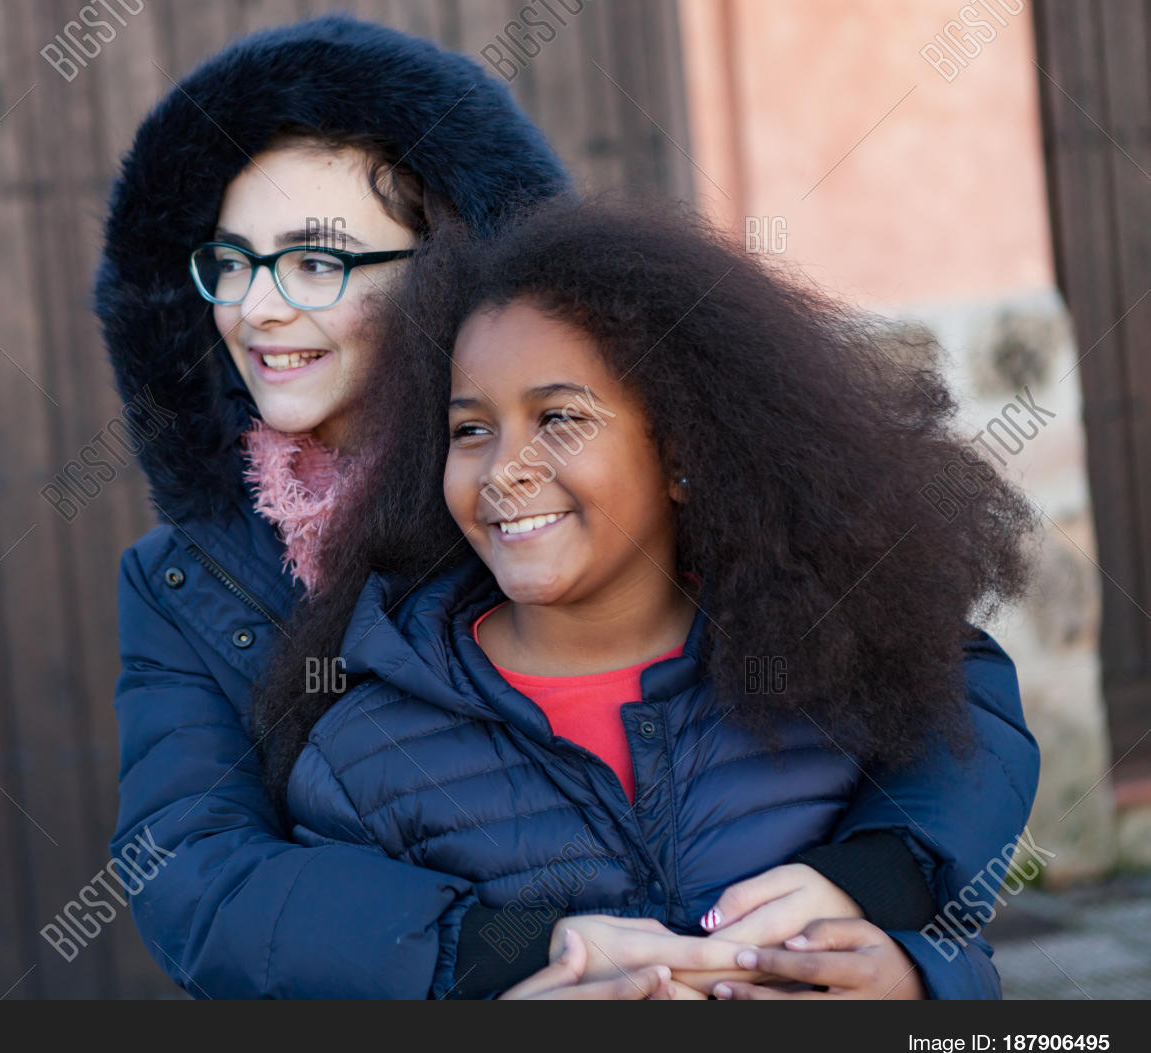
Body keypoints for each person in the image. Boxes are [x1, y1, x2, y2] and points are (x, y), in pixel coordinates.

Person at [96, 15, 1039, 999]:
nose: (257, 307)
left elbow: (933, 673)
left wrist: (879, 884)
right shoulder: (182, 578)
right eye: (233, 263)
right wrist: (502, 954)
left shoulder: (617, 465)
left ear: (442, 265)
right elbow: (194, 871)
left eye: (315, 262)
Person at [252, 195, 1039, 999]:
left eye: (559, 418)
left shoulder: (832, 677)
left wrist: (920, 985)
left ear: (682, 455)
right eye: (470, 429)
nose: (503, 469)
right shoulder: (362, 758)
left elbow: (955, 953)